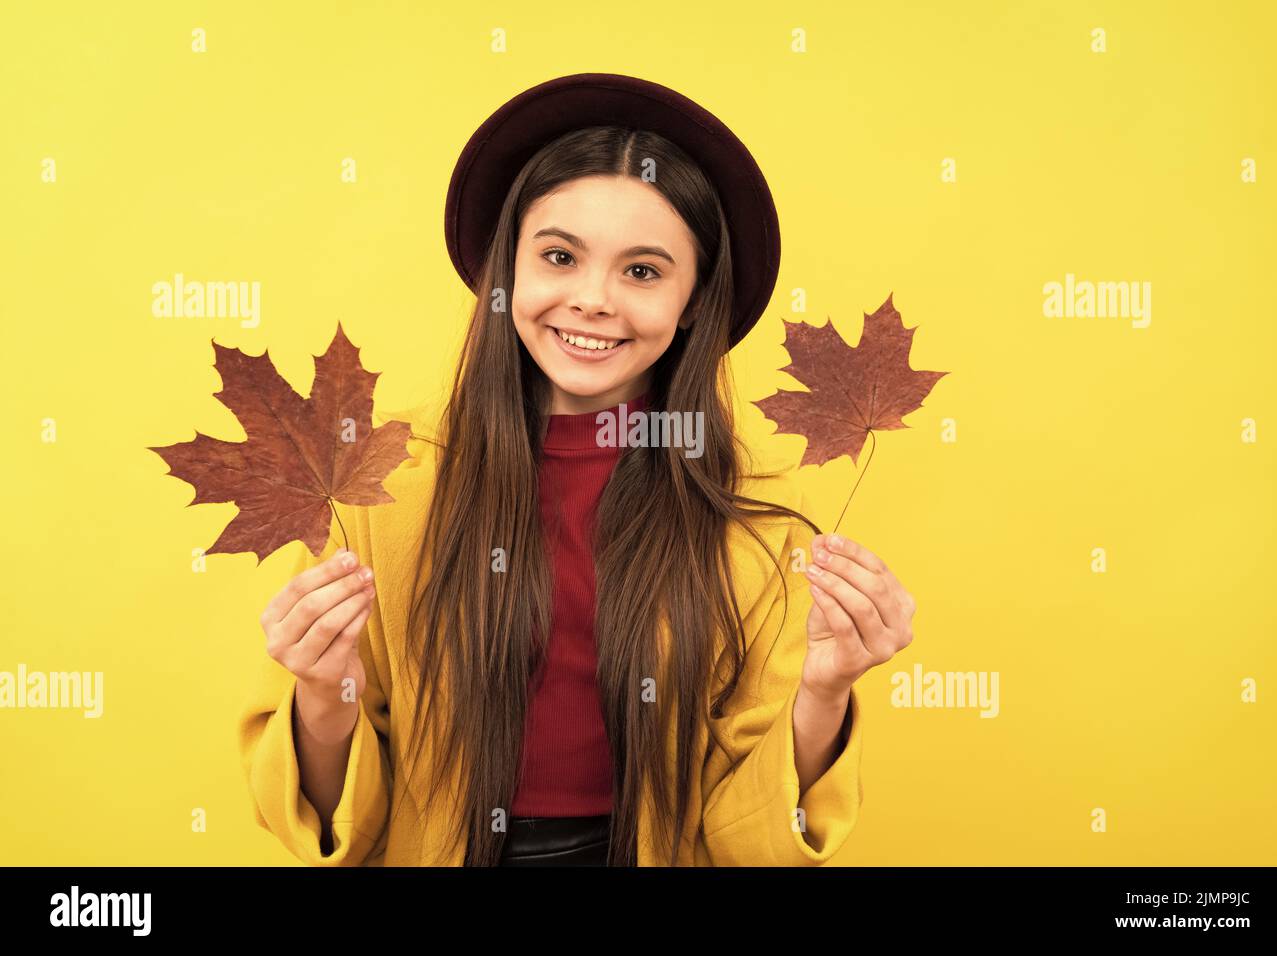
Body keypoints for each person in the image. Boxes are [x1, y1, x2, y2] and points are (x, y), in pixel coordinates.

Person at [238, 73, 917, 867]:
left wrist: (825, 690)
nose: (592, 299)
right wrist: (324, 693)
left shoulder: (760, 512)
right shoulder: (382, 484)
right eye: (560, 256)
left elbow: (754, 840)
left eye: (642, 271)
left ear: (694, 299)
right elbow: (333, 827)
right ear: (508, 273)